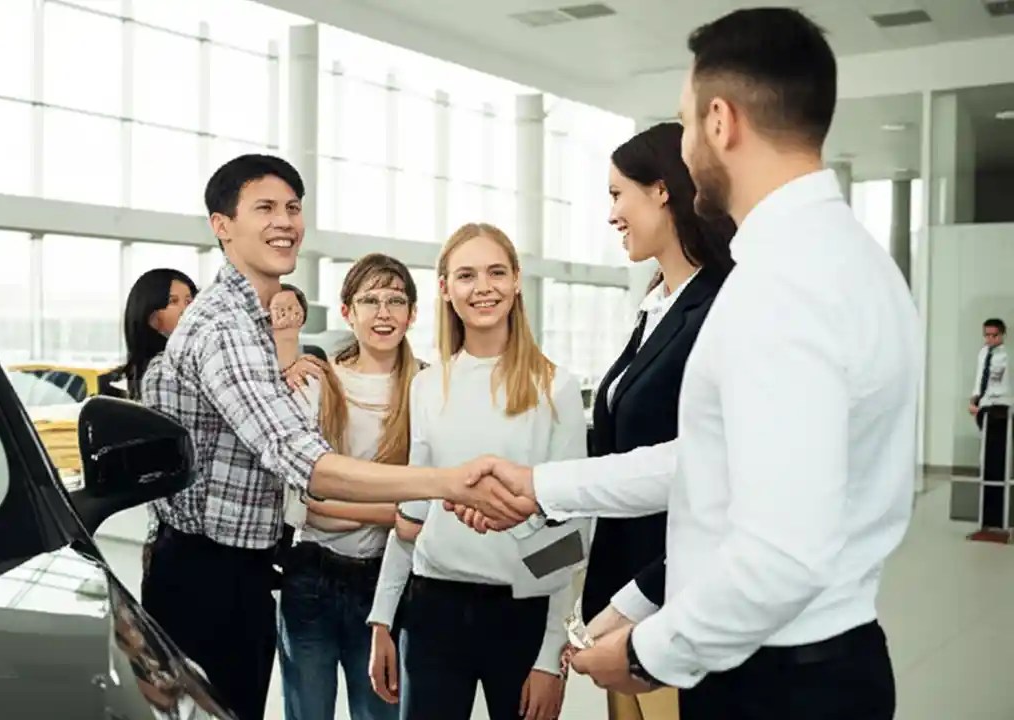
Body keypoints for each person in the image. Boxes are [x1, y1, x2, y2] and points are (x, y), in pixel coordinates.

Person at [455, 8, 920, 720]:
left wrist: (648, 653)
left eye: (686, 119)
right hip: (808, 661)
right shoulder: (840, 258)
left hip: (774, 683)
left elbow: (782, 554)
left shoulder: (784, 284)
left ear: (721, 121)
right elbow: (711, 462)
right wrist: (541, 484)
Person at [139, 154, 530, 720]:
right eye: (265, 208)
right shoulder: (225, 328)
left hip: (258, 574)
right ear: (222, 225)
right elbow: (303, 463)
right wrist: (447, 485)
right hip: (213, 575)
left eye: (293, 208)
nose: (285, 222)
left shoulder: (257, 325)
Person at [367, 223, 589, 720]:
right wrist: (383, 618)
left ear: (515, 282)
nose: (482, 287)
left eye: (495, 272)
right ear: (445, 288)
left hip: (520, 614)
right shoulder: (427, 387)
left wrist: (550, 653)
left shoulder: (555, 387)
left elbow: (574, 532)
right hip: (432, 611)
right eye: (466, 275)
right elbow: (412, 513)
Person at [579, 121, 736, 720]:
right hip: (626, 592)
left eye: (618, 194)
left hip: (674, 593)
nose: (612, 214)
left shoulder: (720, 305)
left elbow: (707, 471)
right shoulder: (656, 307)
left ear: (662, 191)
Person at [276, 255, 420, 720]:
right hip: (312, 577)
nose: (384, 313)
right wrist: (389, 510)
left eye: (396, 300)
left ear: (412, 314)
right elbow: (304, 504)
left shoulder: (429, 388)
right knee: (307, 712)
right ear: (347, 312)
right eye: (370, 300)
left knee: (378, 713)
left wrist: (343, 503)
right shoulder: (319, 382)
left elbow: (425, 508)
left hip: (389, 582)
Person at [116, 268, 198, 400]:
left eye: (189, 302)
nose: (185, 310)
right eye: (173, 301)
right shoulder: (160, 371)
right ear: (149, 314)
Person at [969, 318, 1008, 430]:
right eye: (987, 335)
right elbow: (980, 378)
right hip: (983, 405)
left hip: (999, 407)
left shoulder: (1006, 355)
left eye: (994, 335)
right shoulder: (983, 352)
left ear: (1002, 334)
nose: (990, 339)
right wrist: (974, 401)